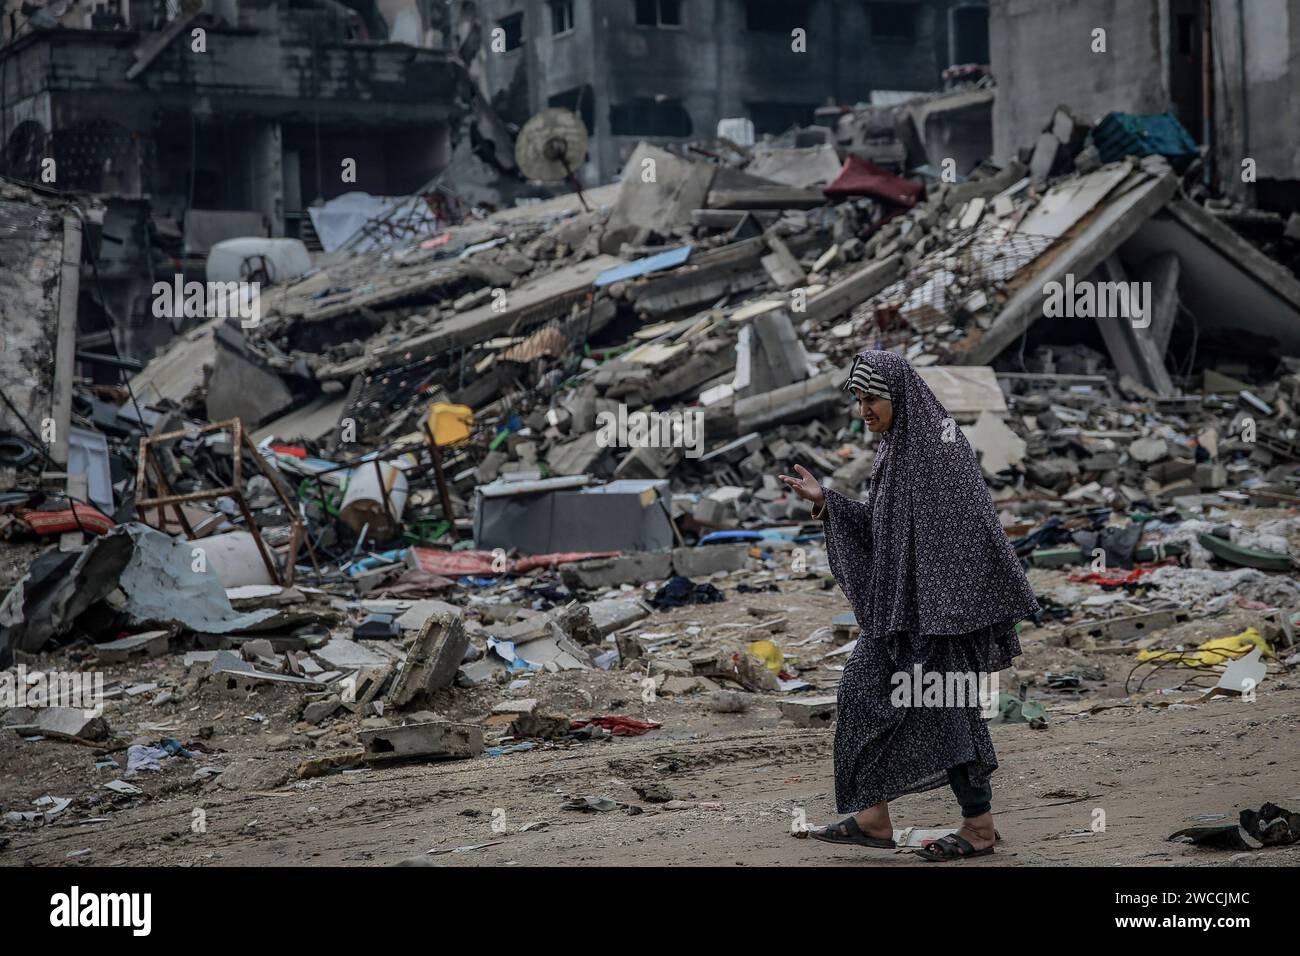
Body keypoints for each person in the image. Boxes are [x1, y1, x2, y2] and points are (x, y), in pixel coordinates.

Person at [779, 350, 1039, 861]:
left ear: (900, 395)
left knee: (947, 709)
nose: (863, 410)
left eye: (872, 398)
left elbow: (972, 532)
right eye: (857, 399)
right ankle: (874, 818)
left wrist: (945, 606)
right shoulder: (895, 450)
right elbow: (886, 533)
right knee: (860, 689)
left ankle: (979, 828)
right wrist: (827, 500)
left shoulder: (941, 450)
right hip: (904, 612)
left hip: (944, 614)